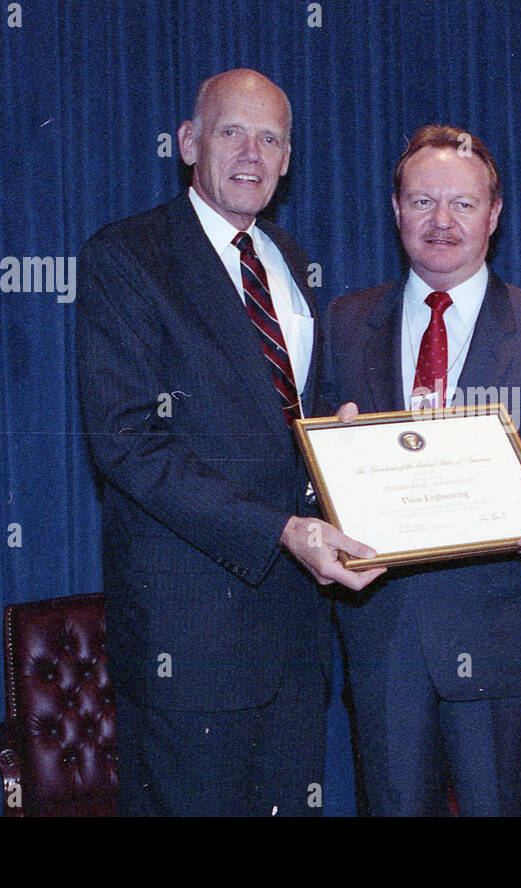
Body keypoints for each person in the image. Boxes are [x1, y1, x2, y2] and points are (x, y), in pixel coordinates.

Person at [76, 69, 381, 816]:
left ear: (287, 159)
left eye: (271, 137)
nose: (252, 151)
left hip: (296, 637)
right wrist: (281, 529)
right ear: (188, 143)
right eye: (230, 131)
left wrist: (331, 452)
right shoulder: (127, 258)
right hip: (194, 640)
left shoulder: (288, 259)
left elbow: (274, 429)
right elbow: (126, 443)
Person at [324, 125, 521, 816]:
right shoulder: (344, 320)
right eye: (423, 201)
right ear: (395, 211)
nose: (442, 221)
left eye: (462, 203)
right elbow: (310, 469)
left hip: (503, 641)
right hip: (383, 639)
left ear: (494, 213)